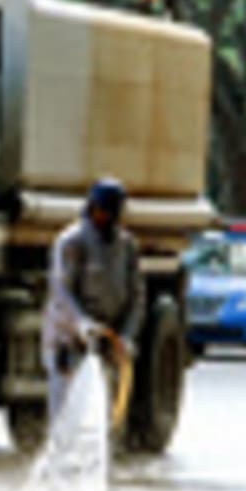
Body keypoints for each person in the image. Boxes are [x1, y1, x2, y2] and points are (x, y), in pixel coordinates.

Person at [42, 179, 144, 421]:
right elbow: (61, 290)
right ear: (91, 209)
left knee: (102, 409)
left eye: (111, 213)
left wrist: (127, 336)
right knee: (66, 407)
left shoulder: (127, 246)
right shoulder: (72, 242)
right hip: (69, 338)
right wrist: (81, 323)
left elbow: (137, 296)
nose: (105, 218)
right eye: (101, 211)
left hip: (109, 338)